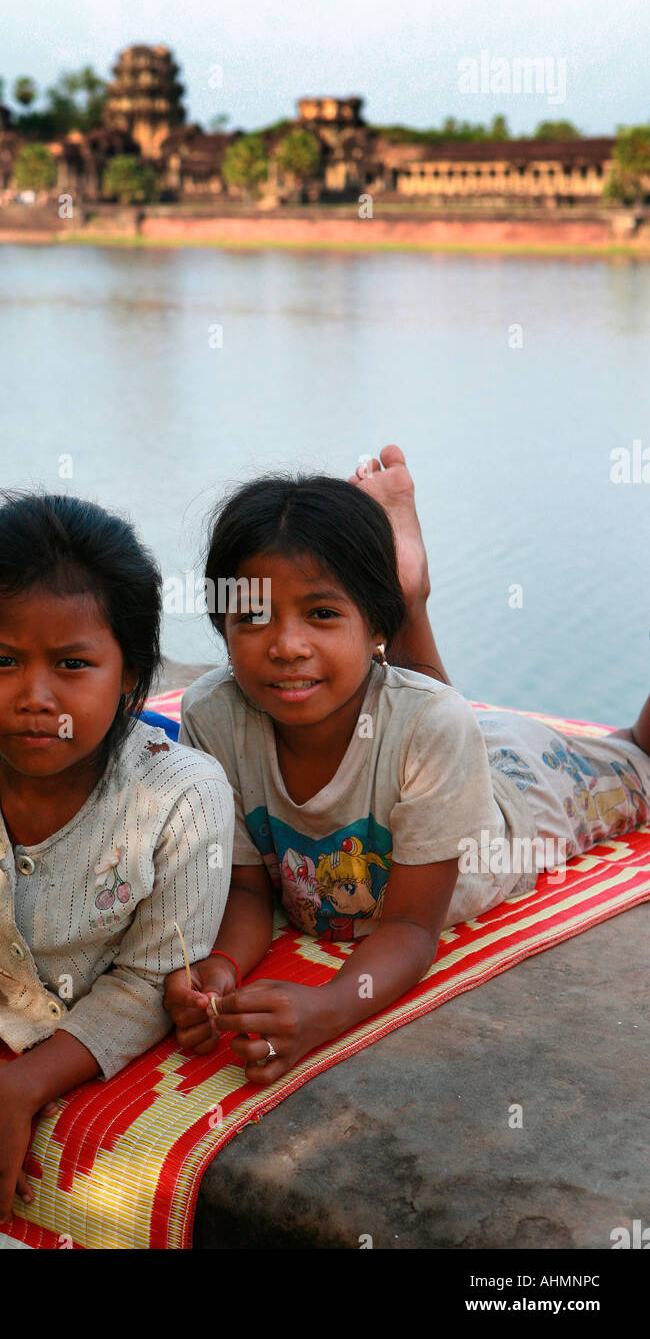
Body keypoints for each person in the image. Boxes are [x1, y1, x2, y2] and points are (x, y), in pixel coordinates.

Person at [164, 446, 650, 1085]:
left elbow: (414, 926)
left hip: (518, 798)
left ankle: (409, 595)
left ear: (373, 629)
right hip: (425, 743)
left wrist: (329, 1008)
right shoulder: (212, 716)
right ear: (221, 626)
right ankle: (407, 591)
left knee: (639, 756)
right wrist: (220, 967)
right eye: (252, 616)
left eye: (322, 613)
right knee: (431, 715)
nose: (286, 644)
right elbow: (250, 886)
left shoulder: (431, 726)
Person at [0, 489, 234, 1223]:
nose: (35, 696)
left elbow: (149, 983)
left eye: (73, 664)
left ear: (129, 674)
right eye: (1, 660)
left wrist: (24, 1085)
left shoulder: (184, 799)